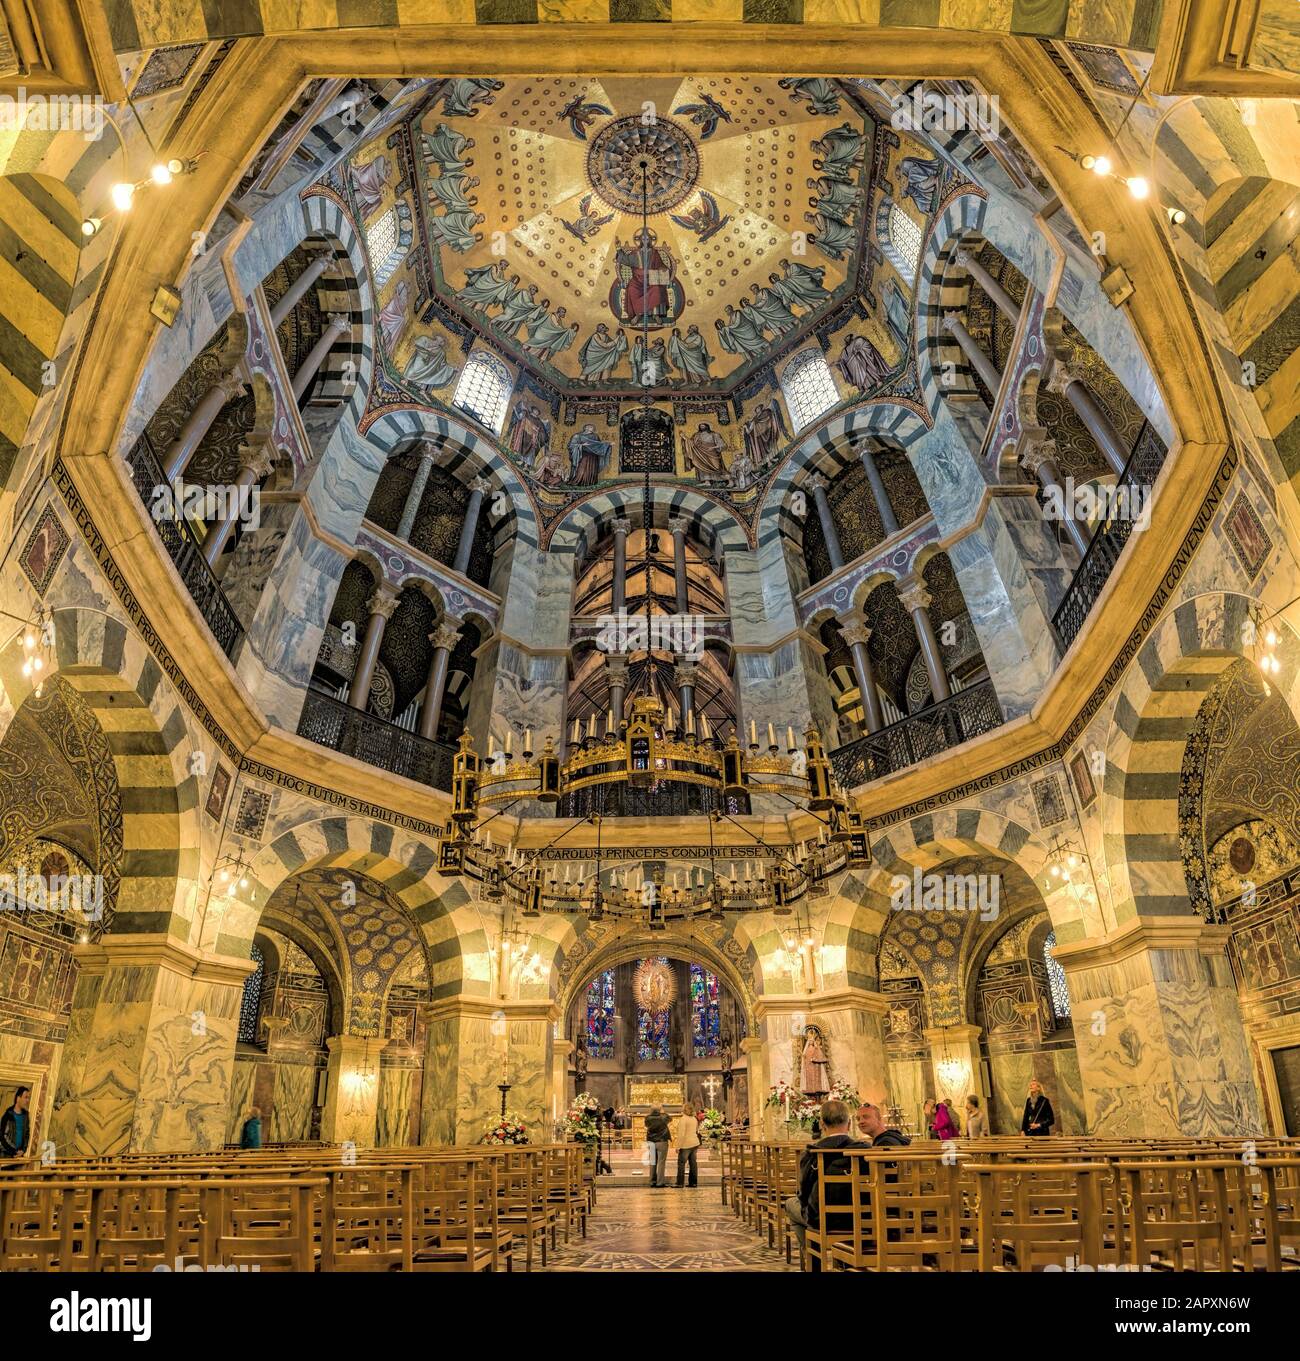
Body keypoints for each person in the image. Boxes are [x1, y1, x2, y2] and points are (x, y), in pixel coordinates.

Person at [782, 1098, 866, 1269]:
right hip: (861, 1218)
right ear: (849, 1124)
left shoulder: (813, 1153)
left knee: (791, 1204)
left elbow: (804, 1192)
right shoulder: (864, 1150)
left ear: (821, 1124)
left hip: (822, 1218)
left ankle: (812, 1260)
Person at [672, 1102, 701, 1188]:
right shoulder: (694, 1119)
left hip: (686, 1144)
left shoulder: (683, 1119)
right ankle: (693, 1182)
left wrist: (678, 1146)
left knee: (681, 1163)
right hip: (694, 1143)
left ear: (684, 1109)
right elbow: (696, 1130)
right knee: (693, 1163)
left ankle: (680, 1183)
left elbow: (681, 1135)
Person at [0, 1086, 30, 1158]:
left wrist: (23, 1150)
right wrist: (14, 1151)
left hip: (19, 1156)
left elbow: (26, 1134)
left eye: (28, 1098)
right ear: (18, 1098)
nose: (27, 1100)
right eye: (25, 1097)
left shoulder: (26, 1115)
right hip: (6, 1155)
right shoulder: (8, 1114)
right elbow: (2, 1137)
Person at [644, 1105, 671, 1187]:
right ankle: (660, 1182)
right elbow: (670, 1119)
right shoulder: (664, 1117)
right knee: (661, 1162)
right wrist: (662, 1112)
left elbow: (646, 1125)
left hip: (651, 1142)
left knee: (652, 1162)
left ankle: (652, 1181)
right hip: (661, 1141)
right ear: (660, 1110)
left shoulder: (647, 1118)